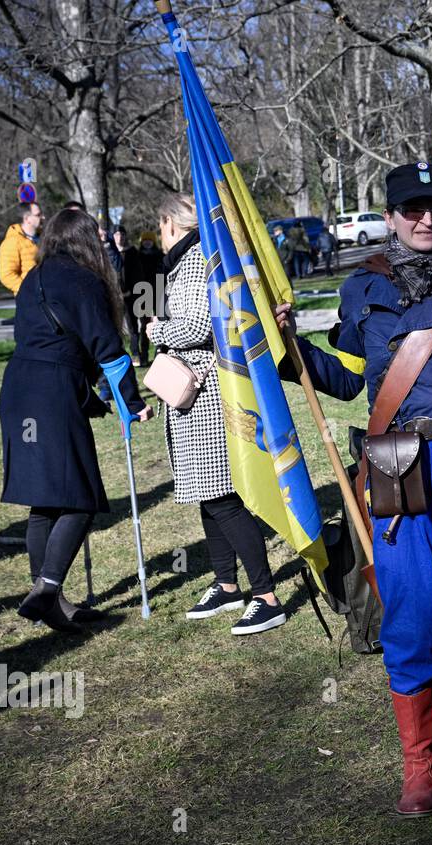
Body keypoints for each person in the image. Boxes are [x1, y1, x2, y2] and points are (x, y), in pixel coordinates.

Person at [274, 162, 432, 817]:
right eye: (412, 209)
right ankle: (419, 766)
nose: (426, 220)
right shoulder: (361, 290)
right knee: (412, 607)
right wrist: (287, 348)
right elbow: (346, 379)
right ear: (389, 216)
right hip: (392, 460)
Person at [0, 208, 154, 631]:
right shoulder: (83, 280)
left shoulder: (34, 277)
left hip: (18, 389)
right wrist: (130, 404)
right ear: (86, 240)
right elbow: (109, 352)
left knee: (44, 499)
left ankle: (48, 599)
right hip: (51, 392)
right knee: (80, 496)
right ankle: (48, 589)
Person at [146, 193, 287, 634]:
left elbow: (195, 326)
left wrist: (156, 329)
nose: (158, 234)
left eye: (160, 224)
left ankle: (266, 596)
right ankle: (226, 585)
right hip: (199, 391)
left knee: (225, 499)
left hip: (204, 393)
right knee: (210, 497)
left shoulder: (192, 262)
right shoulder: (194, 259)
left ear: (171, 222)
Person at [122, 231, 164, 366]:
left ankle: (160, 351)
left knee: (160, 321)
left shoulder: (160, 256)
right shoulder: (137, 256)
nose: (147, 243)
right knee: (145, 324)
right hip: (143, 292)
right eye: (145, 240)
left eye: (149, 240)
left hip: (158, 290)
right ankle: (143, 355)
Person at [0, 202, 43, 294]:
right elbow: (7, 275)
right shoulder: (12, 242)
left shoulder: (45, 238)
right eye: (38, 215)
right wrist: (29, 290)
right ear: (27, 219)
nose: (43, 217)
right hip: (30, 301)